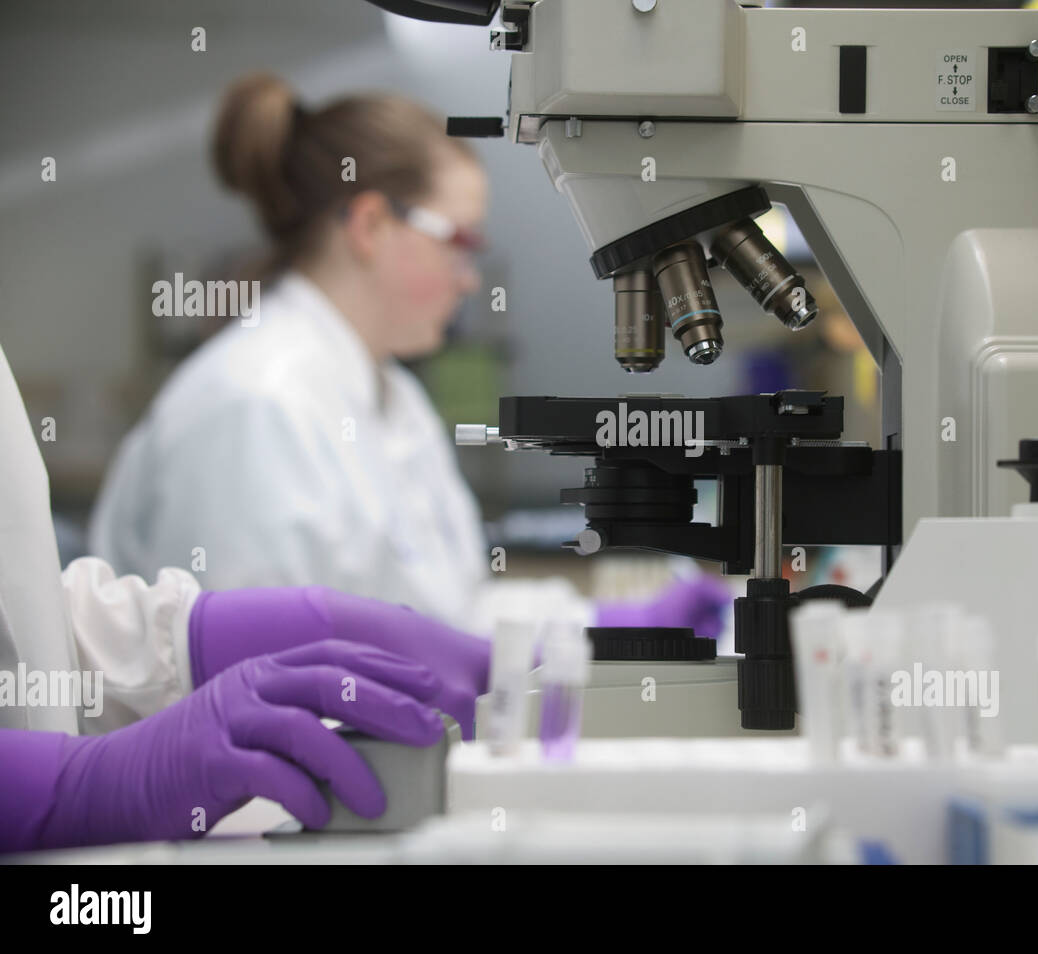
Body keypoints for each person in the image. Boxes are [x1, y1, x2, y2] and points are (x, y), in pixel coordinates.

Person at [89, 73, 731, 639]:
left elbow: (450, 617)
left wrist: (603, 628)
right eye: (458, 243)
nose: (470, 278)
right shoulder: (258, 405)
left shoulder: (391, 397)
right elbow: (250, 680)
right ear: (369, 225)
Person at [0, 336, 489, 852]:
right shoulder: (255, 399)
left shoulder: (388, 391)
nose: (472, 259)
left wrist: (205, 637)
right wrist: (70, 787)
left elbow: (18, 632)